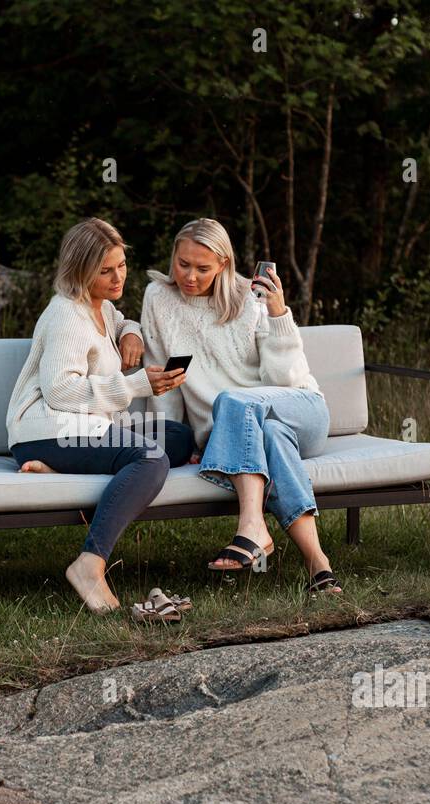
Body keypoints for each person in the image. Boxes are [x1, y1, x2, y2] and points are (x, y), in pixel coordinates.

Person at [136, 218, 343, 593]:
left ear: (223, 265)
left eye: (203, 268)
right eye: (183, 264)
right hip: (254, 432)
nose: (191, 277)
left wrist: (279, 316)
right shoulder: (158, 299)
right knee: (272, 438)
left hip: (301, 409)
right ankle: (319, 565)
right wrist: (180, 440)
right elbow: (165, 384)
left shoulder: (253, 297)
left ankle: (252, 524)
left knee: (234, 401)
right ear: (173, 258)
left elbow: (286, 379)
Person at [5, 217, 193, 613]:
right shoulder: (66, 317)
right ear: (80, 271)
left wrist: (131, 333)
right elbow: (59, 391)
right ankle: (90, 563)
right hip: (47, 428)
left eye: (121, 265)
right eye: (105, 270)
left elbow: (121, 319)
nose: (117, 277)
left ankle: (61, 470)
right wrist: (136, 385)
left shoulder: (101, 308)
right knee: (151, 458)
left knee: (178, 438)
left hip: (85, 426)